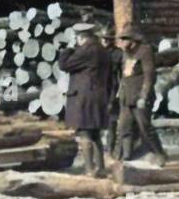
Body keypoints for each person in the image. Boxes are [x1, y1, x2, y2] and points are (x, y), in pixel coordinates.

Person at [57, 23, 111, 176]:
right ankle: (100, 169)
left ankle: (89, 170)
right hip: (98, 95)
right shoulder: (102, 50)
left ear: (80, 37)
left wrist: (68, 48)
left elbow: (64, 64)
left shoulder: (86, 50)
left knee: (84, 133)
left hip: (84, 97)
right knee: (95, 134)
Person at [115, 26, 166, 165]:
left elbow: (149, 76)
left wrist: (144, 96)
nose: (121, 42)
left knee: (145, 127)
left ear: (132, 39)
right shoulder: (125, 53)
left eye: (124, 39)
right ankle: (126, 155)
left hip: (139, 97)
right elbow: (123, 75)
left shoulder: (144, 51)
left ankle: (159, 154)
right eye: (121, 38)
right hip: (127, 96)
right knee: (124, 126)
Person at [100, 26, 122, 157]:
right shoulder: (98, 52)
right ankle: (102, 147)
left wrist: (117, 93)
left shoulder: (118, 54)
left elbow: (121, 75)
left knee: (112, 121)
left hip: (112, 89)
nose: (105, 42)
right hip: (99, 90)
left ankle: (110, 148)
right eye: (104, 39)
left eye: (108, 39)